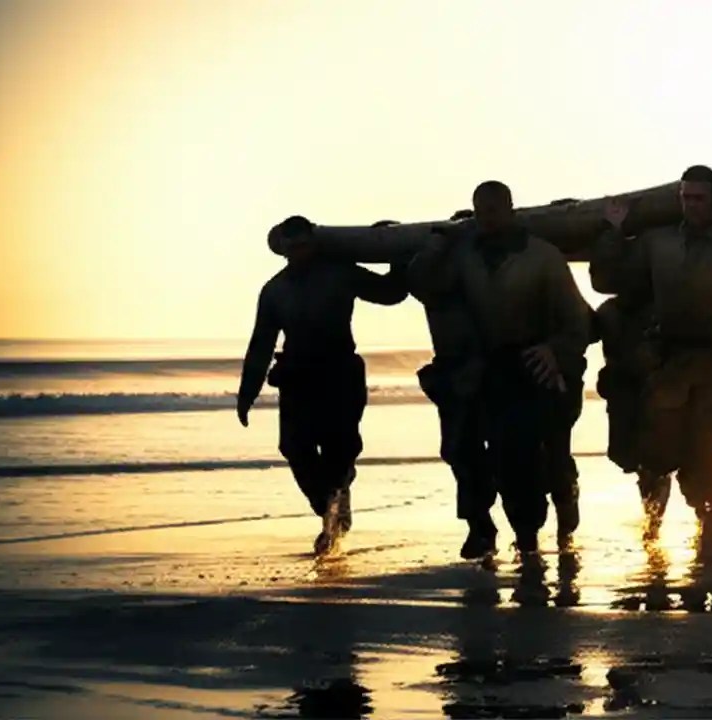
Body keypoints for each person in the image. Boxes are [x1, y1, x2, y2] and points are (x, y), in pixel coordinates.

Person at [590, 158, 712, 547]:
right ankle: (657, 516)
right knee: (657, 443)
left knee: (711, 444)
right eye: (686, 197)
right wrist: (612, 232)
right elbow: (609, 279)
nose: (692, 205)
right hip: (671, 356)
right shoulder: (660, 241)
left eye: (700, 198)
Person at [410, 181, 591, 555]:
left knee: (538, 454)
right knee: (485, 453)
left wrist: (555, 349)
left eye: (494, 210)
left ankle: (547, 517)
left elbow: (579, 320)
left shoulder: (542, 256)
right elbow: (424, 286)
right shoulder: (464, 256)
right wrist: (433, 248)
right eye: (481, 211)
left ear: (511, 210)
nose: (487, 218)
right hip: (488, 368)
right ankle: (504, 533)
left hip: (535, 367)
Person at [238, 216, 408, 555]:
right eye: (292, 248)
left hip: (340, 373)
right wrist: (247, 394)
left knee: (339, 451)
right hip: (297, 377)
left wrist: (395, 249)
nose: (299, 253)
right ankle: (329, 508)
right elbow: (261, 344)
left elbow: (391, 293)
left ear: (314, 243)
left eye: (304, 245)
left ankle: (333, 516)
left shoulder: (340, 272)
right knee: (293, 447)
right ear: (282, 249)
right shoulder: (275, 290)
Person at [406, 216, 495, 559]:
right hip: (454, 374)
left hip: (498, 366)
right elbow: (412, 281)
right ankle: (479, 524)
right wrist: (435, 246)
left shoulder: (493, 266)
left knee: (509, 450)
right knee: (460, 450)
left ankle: (525, 527)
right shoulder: (433, 277)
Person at [593, 294, 672, 533]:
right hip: (627, 388)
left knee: (655, 462)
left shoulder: (660, 308)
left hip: (651, 387)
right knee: (636, 458)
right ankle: (653, 522)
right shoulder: (609, 313)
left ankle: (654, 523)